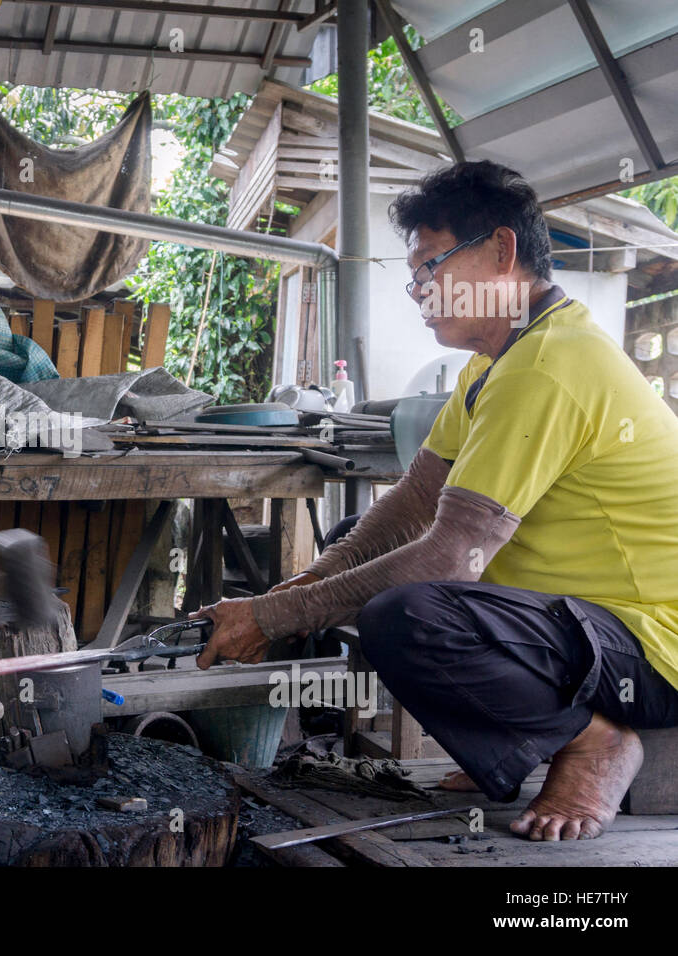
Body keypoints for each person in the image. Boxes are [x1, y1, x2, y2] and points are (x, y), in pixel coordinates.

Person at [194, 160, 678, 842]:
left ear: (502, 251)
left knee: (409, 613)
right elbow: (415, 501)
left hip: (653, 649)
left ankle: (596, 739)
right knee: (362, 536)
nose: (420, 292)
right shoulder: (497, 360)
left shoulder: (548, 366)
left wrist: (275, 616)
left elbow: (450, 557)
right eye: (415, 275)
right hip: (584, 628)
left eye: (431, 267)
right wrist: (298, 590)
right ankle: (527, 737)